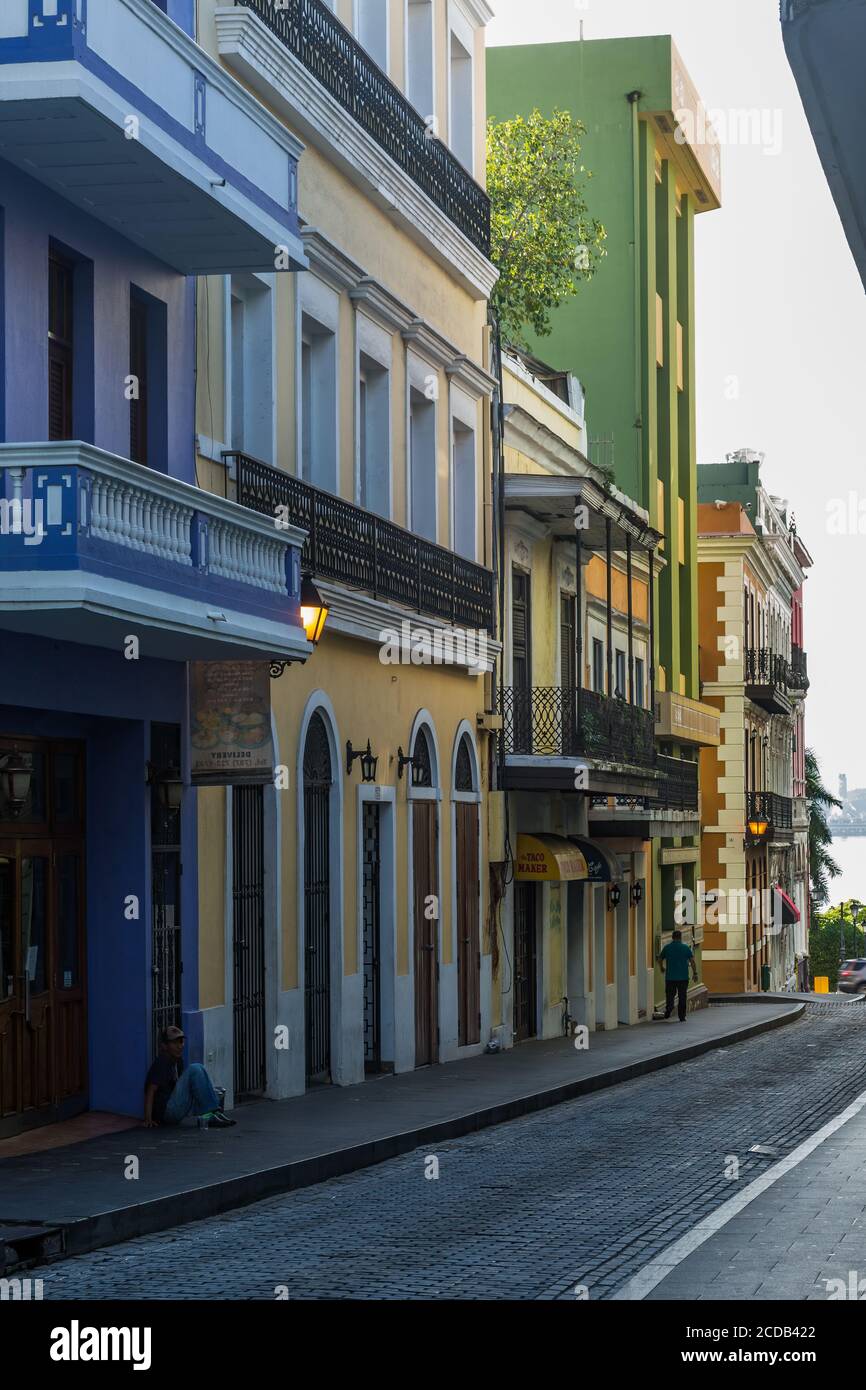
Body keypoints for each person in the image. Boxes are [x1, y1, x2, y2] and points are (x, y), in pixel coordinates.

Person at [143, 1025, 236, 1128]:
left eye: (181, 1042)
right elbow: (150, 1090)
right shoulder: (162, 1062)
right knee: (195, 1069)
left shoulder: (178, 1061)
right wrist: (148, 1119)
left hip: (176, 1108)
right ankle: (209, 1115)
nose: (180, 1046)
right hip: (166, 1112)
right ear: (164, 1046)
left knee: (201, 1070)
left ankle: (213, 1113)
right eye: (175, 1043)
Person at [657, 930, 699, 1022]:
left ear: (672, 937)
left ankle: (669, 1008)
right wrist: (695, 973)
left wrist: (661, 967)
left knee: (670, 995)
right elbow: (692, 961)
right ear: (680, 937)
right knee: (682, 997)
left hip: (670, 977)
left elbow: (660, 958)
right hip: (683, 977)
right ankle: (682, 1016)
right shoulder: (685, 948)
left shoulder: (667, 948)